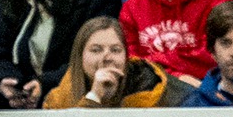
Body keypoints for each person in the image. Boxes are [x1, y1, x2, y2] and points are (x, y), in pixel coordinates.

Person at [44, 17, 192, 109]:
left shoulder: (149, 88)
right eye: (96, 50)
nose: (107, 57)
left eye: (115, 50)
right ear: (79, 57)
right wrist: (95, 96)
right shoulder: (60, 98)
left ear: (126, 57)